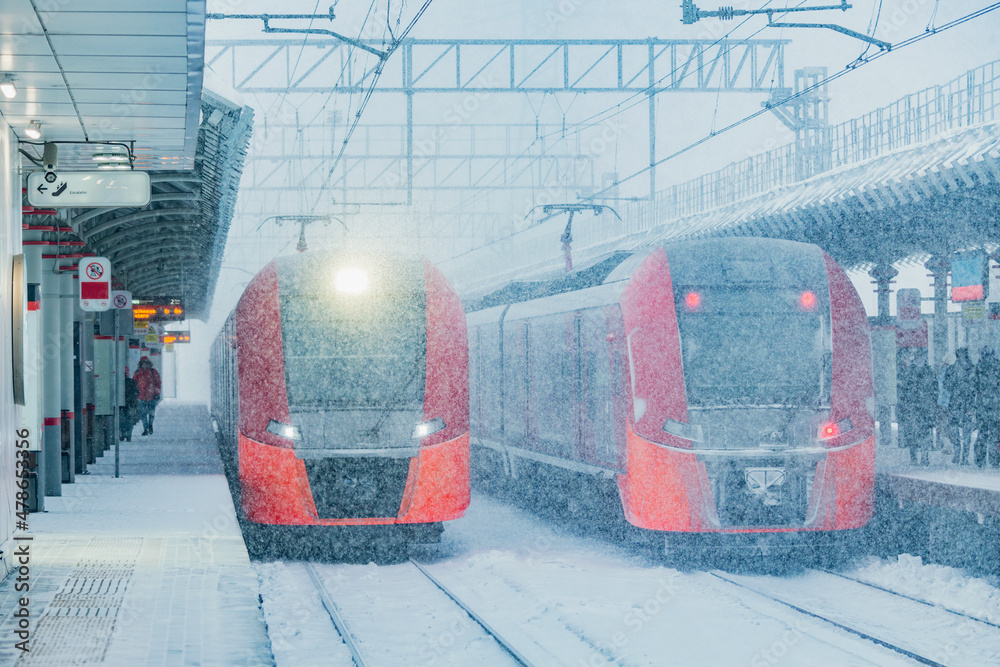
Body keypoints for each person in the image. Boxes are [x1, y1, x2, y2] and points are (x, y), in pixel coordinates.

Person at [897, 349, 936, 465]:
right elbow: (903, 391)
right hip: (917, 407)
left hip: (918, 408)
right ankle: (918, 457)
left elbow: (903, 392)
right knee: (917, 433)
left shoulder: (913, 372)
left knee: (919, 433)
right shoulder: (920, 371)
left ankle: (920, 457)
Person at [944, 348, 976, 465]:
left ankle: (961, 455)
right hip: (964, 403)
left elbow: (947, 385)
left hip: (958, 403)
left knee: (959, 429)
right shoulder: (971, 369)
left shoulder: (953, 369)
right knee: (962, 430)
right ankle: (961, 456)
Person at [974, 347, 1000, 468]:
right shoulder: (997, 367)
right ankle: (995, 459)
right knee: (995, 433)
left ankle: (980, 459)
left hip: (982, 406)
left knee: (982, 433)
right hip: (996, 406)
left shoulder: (979, 368)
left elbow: (972, 387)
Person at [133, 356, 161, 436]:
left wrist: (157, 393)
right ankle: (146, 428)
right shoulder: (138, 372)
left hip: (151, 396)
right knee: (143, 414)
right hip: (141, 397)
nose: (144, 365)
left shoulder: (153, 371)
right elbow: (134, 384)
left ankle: (150, 425)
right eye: (143, 363)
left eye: (145, 363)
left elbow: (158, 383)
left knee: (151, 413)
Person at [120, 371, 140, 442]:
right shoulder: (132, 382)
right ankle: (128, 435)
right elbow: (137, 392)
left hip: (121, 406)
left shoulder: (118, 383)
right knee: (129, 420)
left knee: (121, 421)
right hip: (131, 404)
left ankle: (122, 433)